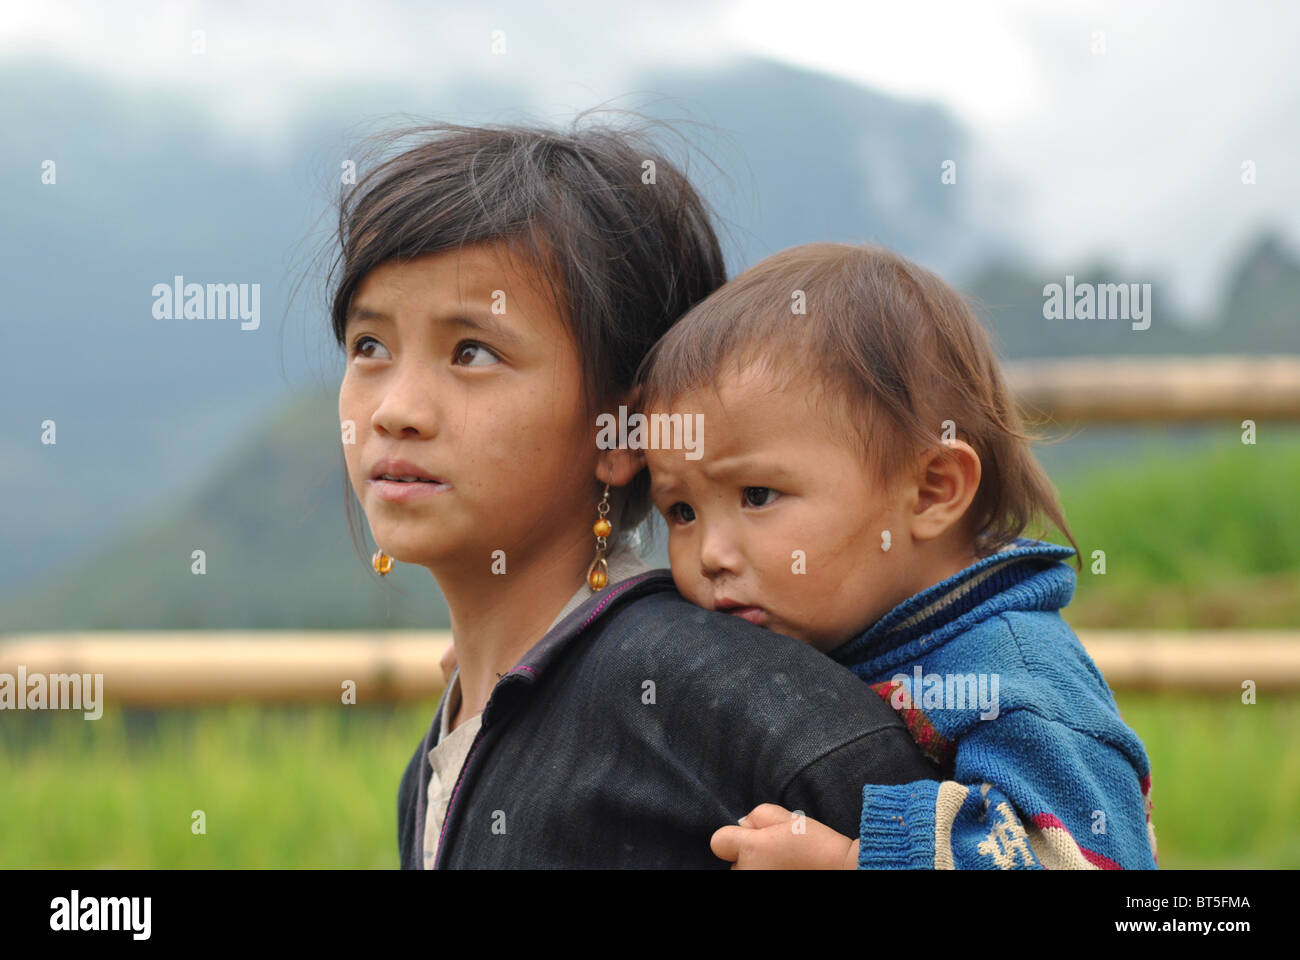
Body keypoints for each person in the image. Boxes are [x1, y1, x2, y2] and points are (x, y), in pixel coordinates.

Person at [328, 120, 939, 868]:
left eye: (472, 352)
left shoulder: (711, 694)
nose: (396, 409)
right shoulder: (442, 751)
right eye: (370, 347)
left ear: (621, 431)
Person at [637, 242, 1159, 869]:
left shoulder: (1015, 679)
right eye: (681, 512)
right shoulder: (818, 633)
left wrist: (855, 860)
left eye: (757, 495)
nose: (710, 554)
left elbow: (1083, 861)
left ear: (931, 491)